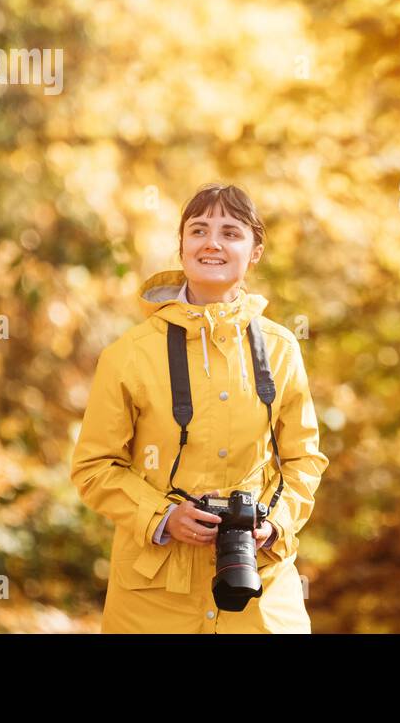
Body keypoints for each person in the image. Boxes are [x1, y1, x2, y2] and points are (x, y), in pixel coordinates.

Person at [71, 183, 329, 633]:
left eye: (230, 232)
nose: (212, 242)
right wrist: (163, 515)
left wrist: (274, 525)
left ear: (255, 252)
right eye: (199, 230)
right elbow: (94, 467)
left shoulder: (281, 349)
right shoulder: (128, 355)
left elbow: (303, 461)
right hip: (151, 601)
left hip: (260, 590)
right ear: (182, 245)